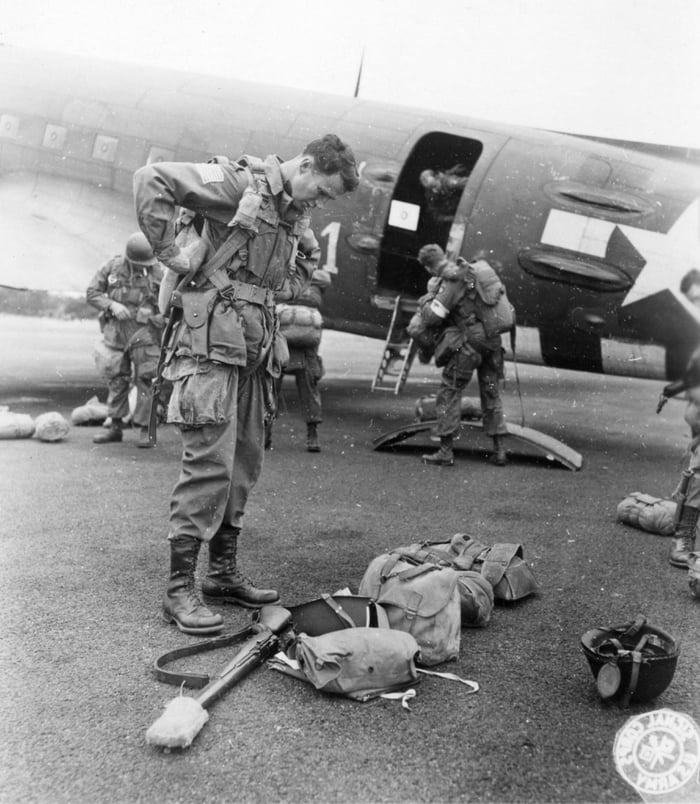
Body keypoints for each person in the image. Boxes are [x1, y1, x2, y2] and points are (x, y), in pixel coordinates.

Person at [133, 135, 358, 635]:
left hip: (255, 352)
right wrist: (170, 252)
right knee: (208, 466)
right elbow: (152, 179)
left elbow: (288, 281)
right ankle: (178, 592)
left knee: (244, 461)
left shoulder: (292, 214)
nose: (321, 203)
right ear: (304, 165)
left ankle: (220, 574)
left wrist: (291, 278)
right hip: (210, 350)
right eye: (322, 190)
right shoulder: (239, 184)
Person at [417, 244, 508, 467]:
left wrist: (428, 296)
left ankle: (445, 451)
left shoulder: (450, 281)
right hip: (494, 341)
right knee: (491, 393)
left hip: (471, 344)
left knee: (449, 390)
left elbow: (432, 319)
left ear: (429, 267)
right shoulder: (476, 270)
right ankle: (499, 451)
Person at [86, 232, 168, 448]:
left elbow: (171, 300)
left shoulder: (159, 271)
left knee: (147, 380)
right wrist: (112, 305)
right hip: (116, 334)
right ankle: (114, 426)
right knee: (117, 379)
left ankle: (144, 430)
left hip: (146, 335)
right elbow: (92, 293)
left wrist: (159, 316)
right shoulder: (112, 267)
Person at [269, 267, 331, 452]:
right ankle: (312, 437)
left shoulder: (286, 273)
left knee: (270, 391)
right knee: (310, 393)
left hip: (282, 347)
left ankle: (265, 434)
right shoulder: (317, 282)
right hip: (306, 351)